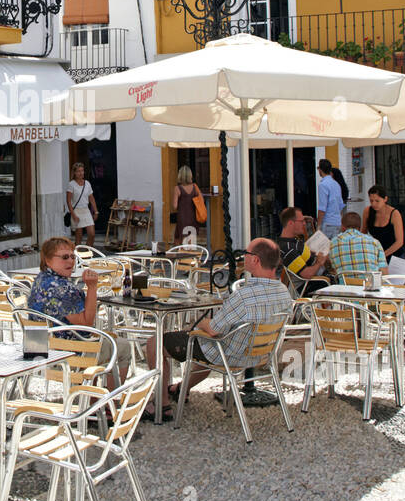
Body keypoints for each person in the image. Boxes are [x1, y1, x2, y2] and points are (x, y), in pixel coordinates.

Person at [143, 238, 291, 420]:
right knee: (204, 345)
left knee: (155, 342)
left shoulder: (245, 296)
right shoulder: (284, 292)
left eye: (246, 253)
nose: (243, 256)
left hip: (229, 354)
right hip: (262, 355)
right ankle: (180, 389)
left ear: (256, 260)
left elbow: (213, 330)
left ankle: (161, 405)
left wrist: (198, 323)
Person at [27, 236, 132, 382]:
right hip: (66, 355)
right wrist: (92, 287)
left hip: (37, 351)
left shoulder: (40, 280)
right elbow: (87, 323)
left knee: (98, 340)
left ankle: (92, 397)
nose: (70, 261)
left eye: (72, 256)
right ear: (47, 260)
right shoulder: (63, 289)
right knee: (122, 346)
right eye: (64, 257)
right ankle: (110, 401)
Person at [276, 207, 328, 282]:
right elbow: (307, 274)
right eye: (301, 221)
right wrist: (319, 262)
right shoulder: (287, 248)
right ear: (291, 223)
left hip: (321, 277)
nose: (304, 223)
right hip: (315, 284)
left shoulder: (294, 240)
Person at [327, 211, 386, 277]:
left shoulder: (333, 243)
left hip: (345, 286)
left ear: (342, 226)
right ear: (360, 227)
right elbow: (384, 272)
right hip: (369, 285)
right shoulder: (374, 242)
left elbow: (333, 269)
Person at [361, 185, 404, 259]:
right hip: (377, 253)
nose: (374, 204)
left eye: (377, 201)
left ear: (385, 199)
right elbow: (363, 233)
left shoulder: (394, 214)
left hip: (395, 255)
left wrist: (382, 255)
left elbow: (399, 242)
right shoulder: (368, 211)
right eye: (371, 201)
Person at [65, 162, 98, 245]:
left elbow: (91, 198)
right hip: (76, 211)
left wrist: (96, 211)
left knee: (92, 234)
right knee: (79, 237)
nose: (81, 173)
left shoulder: (87, 183)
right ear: (74, 173)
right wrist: (73, 215)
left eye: (82, 171)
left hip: (86, 210)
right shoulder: (71, 184)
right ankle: (77, 256)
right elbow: (68, 201)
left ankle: (87, 252)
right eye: (78, 171)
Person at [316, 158, 347, 239]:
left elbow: (322, 208)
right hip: (337, 222)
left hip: (327, 223)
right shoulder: (336, 184)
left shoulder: (323, 185)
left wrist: (318, 226)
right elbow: (340, 205)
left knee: (325, 249)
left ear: (320, 170)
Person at [172, 166, 203, 244]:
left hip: (182, 218)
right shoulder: (195, 187)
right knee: (191, 240)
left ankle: (180, 254)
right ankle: (190, 254)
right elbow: (201, 200)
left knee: (180, 239)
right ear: (190, 175)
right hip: (193, 217)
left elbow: (174, 206)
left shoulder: (177, 188)